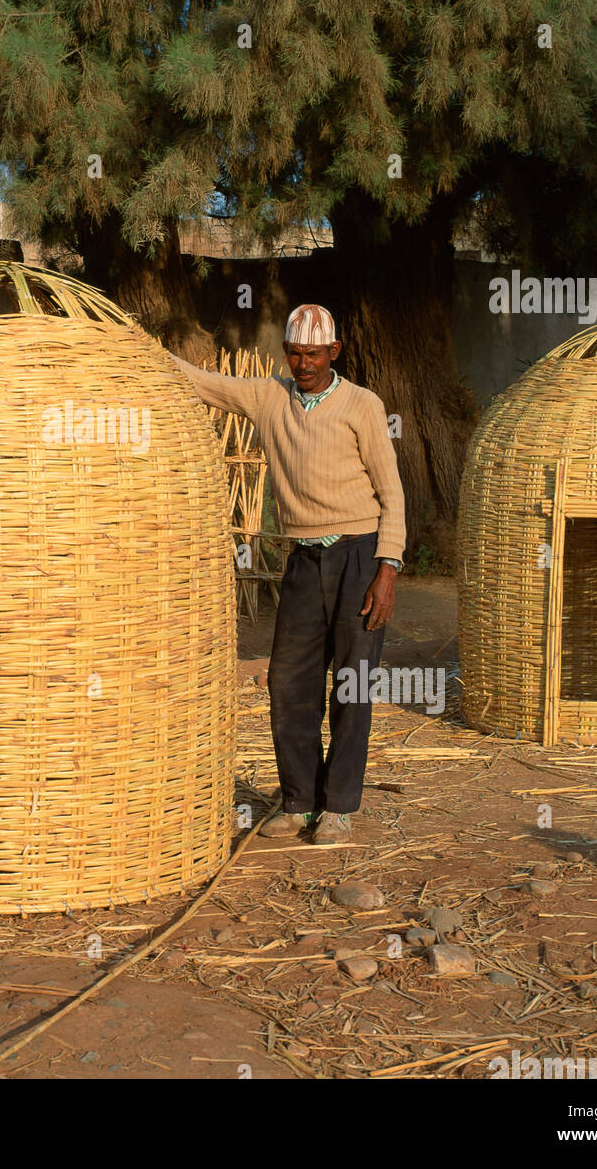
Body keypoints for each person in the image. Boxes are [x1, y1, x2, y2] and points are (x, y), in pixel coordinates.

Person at [170, 303, 406, 844]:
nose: (304, 364)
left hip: (360, 555)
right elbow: (204, 384)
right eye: (295, 354)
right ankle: (299, 800)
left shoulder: (362, 406)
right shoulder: (268, 396)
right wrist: (139, 346)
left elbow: (392, 491)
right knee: (288, 682)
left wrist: (387, 569)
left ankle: (340, 807)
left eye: (314, 355)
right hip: (302, 558)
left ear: (335, 353)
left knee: (351, 682)